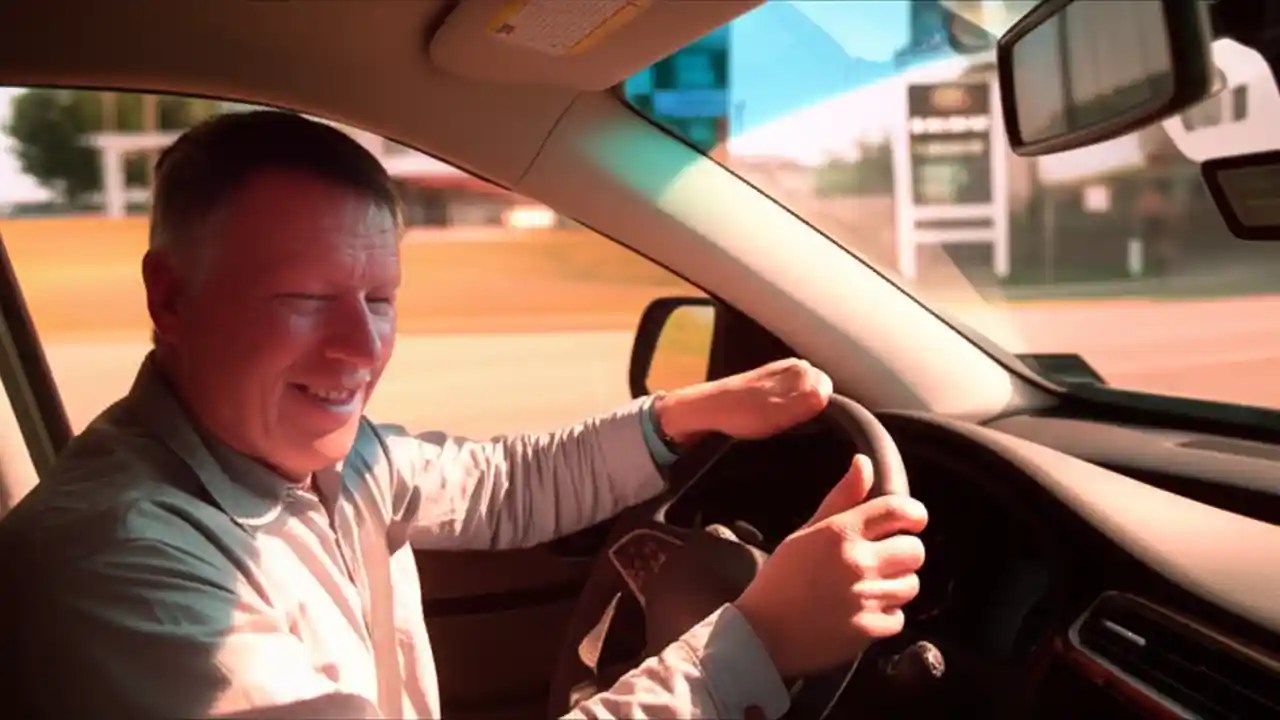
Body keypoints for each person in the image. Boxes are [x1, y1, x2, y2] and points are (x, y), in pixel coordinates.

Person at [0, 111, 928, 719]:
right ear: (172, 298)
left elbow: (502, 484)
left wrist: (688, 412)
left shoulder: (325, 458)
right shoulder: (122, 565)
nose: (362, 352)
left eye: (379, 298)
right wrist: (757, 641)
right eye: (303, 297)